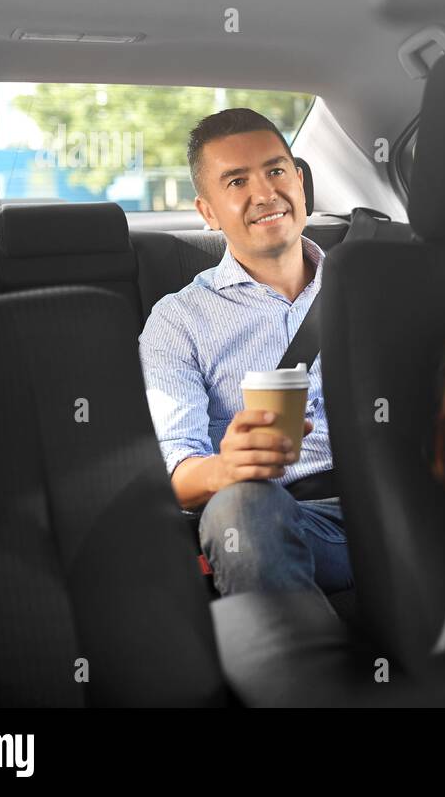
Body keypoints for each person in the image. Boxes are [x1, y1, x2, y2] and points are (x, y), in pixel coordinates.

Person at [139, 108, 352, 606]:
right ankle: (301, 678)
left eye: (276, 171)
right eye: (237, 181)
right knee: (241, 508)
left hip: (398, 504)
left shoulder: (369, 284)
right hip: (288, 519)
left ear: (299, 182)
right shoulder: (178, 321)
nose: (265, 194)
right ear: (208, 211)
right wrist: (228, 469)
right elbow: (175, 474)